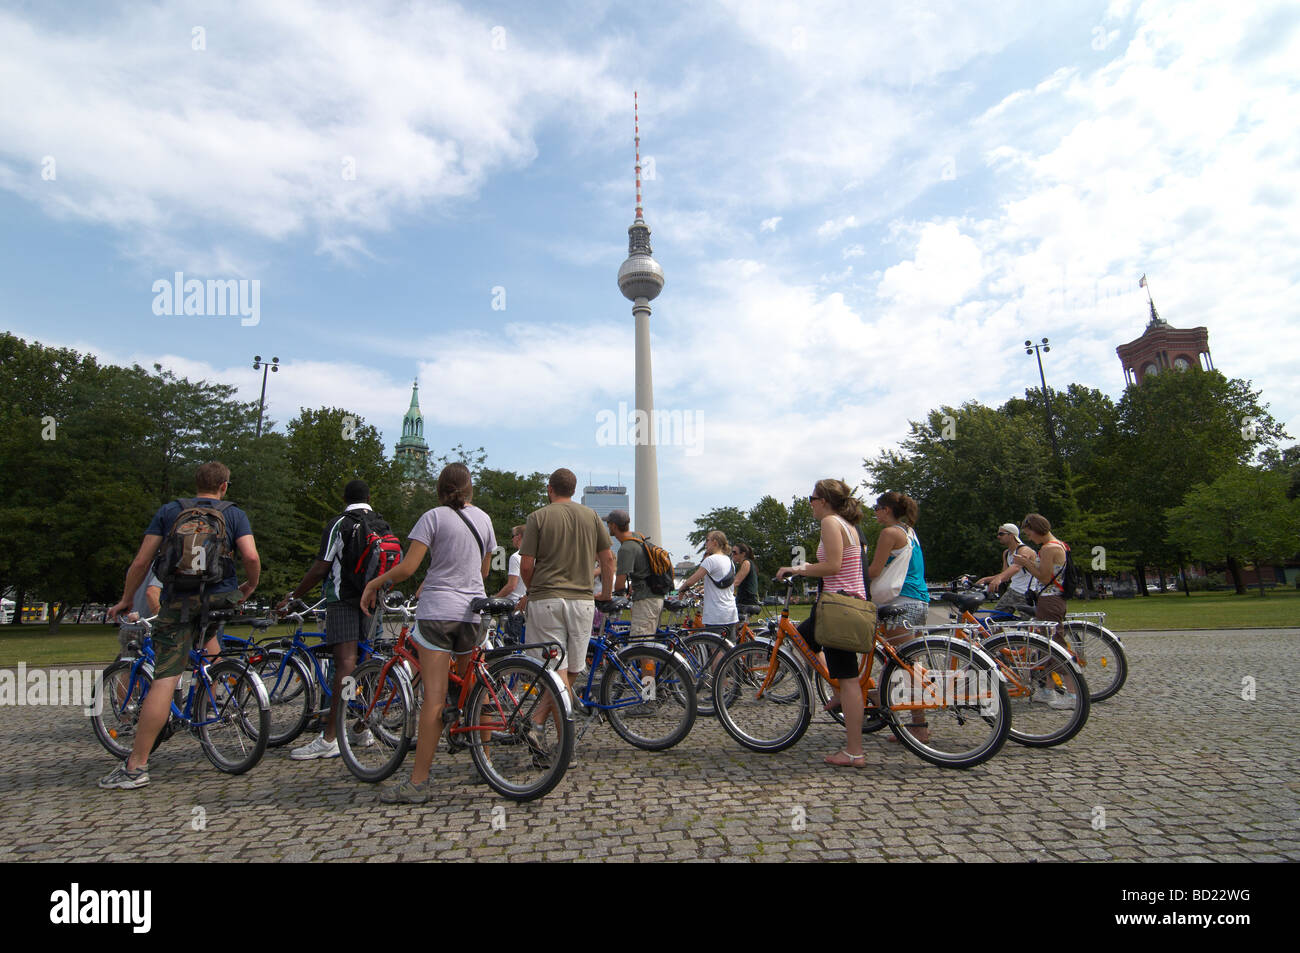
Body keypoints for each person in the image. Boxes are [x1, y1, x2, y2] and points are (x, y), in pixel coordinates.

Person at [101, 462, 259, 789]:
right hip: (220, 597)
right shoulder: (234, 514)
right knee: (209, 640)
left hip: (179, 599)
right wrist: (249, 587)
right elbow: (251, 557)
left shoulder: (171, 511)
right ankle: (208, 698)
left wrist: (127, 599)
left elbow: (142, 561)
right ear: (224, 487)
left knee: (166, 676)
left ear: (196, 483)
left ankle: (136, 766)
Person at [360, 463, 496, 804]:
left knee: (434, 699)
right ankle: (488, 764)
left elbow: (407, 568)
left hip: (438, 613)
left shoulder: (432, 517)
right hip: (472, 614)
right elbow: (481, 570)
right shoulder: (484, 519)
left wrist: (375, 583)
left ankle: (418, 783)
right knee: (471, 690)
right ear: (469, 487)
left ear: (440, 487)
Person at [277, 479, 383, 760]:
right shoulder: (380, 523)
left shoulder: (341, 523)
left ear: (343, 498)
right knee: (366, 661)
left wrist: (294, 596)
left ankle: (331, 737)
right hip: (373, 600)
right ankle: (362, 727)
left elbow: (322, 566)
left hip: (344, 600)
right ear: (369, 496)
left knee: (345, 663)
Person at [519, 468, 614, 745]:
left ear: (550, 488)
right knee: (573, 669)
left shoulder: (538, 517)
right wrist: (605, 593)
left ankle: (542, 728)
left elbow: (527, 564)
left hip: (547, 599)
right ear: (574, 489)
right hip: (583, 600)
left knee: (555, 670)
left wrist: (534, 588)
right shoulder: (592, 516)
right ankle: (555, 739)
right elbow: (608, 559)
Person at [777, 479, 867, 768]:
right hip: (841, 603)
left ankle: (854, 752)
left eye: (812, 498)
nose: (810, 504)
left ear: (824, 500)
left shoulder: (830, 522)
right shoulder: (848, 525)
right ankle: (837, 690)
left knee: (850, 679)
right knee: (802, 639)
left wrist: (797, 568)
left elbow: (834, 566)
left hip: (838, 606)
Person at [868, 490, 930, 743]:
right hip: (919, 601)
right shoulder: (909, 532)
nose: (875, 513)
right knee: (907, 662)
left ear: (886, 509)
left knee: (906, 667)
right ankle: (884, 699)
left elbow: (874, 570)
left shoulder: (889, 533)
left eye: (877, 508)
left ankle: (920, 725)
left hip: (901, 604)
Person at [606, 509, 664, 641]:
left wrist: (609, 596)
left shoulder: (627, 548)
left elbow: (619, 584)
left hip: (645, 599)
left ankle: (650, 662)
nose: (607, 526)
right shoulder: (638, 538)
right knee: (646, 640)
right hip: (654, 596)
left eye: (608, 523)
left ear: (614, 526)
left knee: (640, 644)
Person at [677, 530, 739, 640]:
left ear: (714, 542)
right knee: (730, 648)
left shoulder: (710, 560)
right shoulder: (730, 561)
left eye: (707, 540)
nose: (705, 544)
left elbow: (691, 581)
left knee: (716, 648)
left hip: (716, 614)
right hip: (730, 612)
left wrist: (681, 590)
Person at [976, 523, 1037, 614]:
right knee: (995, 619)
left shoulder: (1024, 550)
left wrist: (998, 579)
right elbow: (1006, 575)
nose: (998, 537)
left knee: (1029, 623)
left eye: (1001, 534)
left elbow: (1016, 567)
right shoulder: (1006, 553)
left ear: (1011, 535)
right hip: (1013, 591)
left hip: (1027, 593)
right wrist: (986, 579)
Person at [491, 525, 528, 641]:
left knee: (510, 647)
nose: (511, 539)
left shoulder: (516, 557)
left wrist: (494, 599)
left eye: (513, 536)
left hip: (516, 606)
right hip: (529, 605)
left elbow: (511, 586)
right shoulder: (536, 557)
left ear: (519, 537)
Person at [731, 541, 759, 608]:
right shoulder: (745, 564)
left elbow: (736, 582)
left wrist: (719, 590)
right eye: (732, 552)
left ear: (743, 554)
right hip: (744, 599)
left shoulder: (746, 563)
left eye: (734, 552)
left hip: (747, 600)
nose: (732, 555)